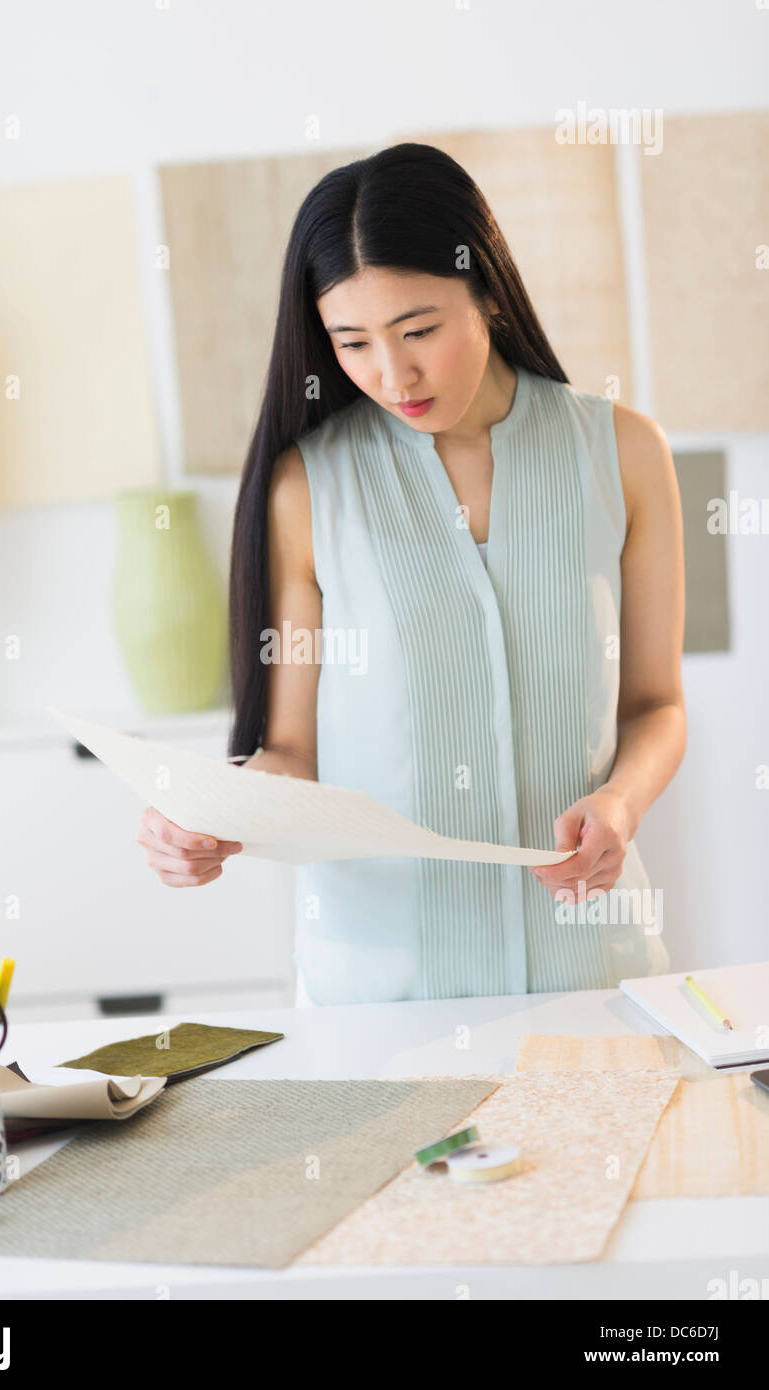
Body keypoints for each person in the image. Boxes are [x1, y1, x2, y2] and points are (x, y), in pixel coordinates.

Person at [137, 142, 686, 1007]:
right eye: (352, 342)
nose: (394, 376)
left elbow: (656, 705)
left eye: (419, 330)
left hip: (589, 965)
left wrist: (621, 801)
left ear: (488, 290)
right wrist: (213, 813)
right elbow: (291, 752)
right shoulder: (307, 487)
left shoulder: (623, 453)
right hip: (384, 987)